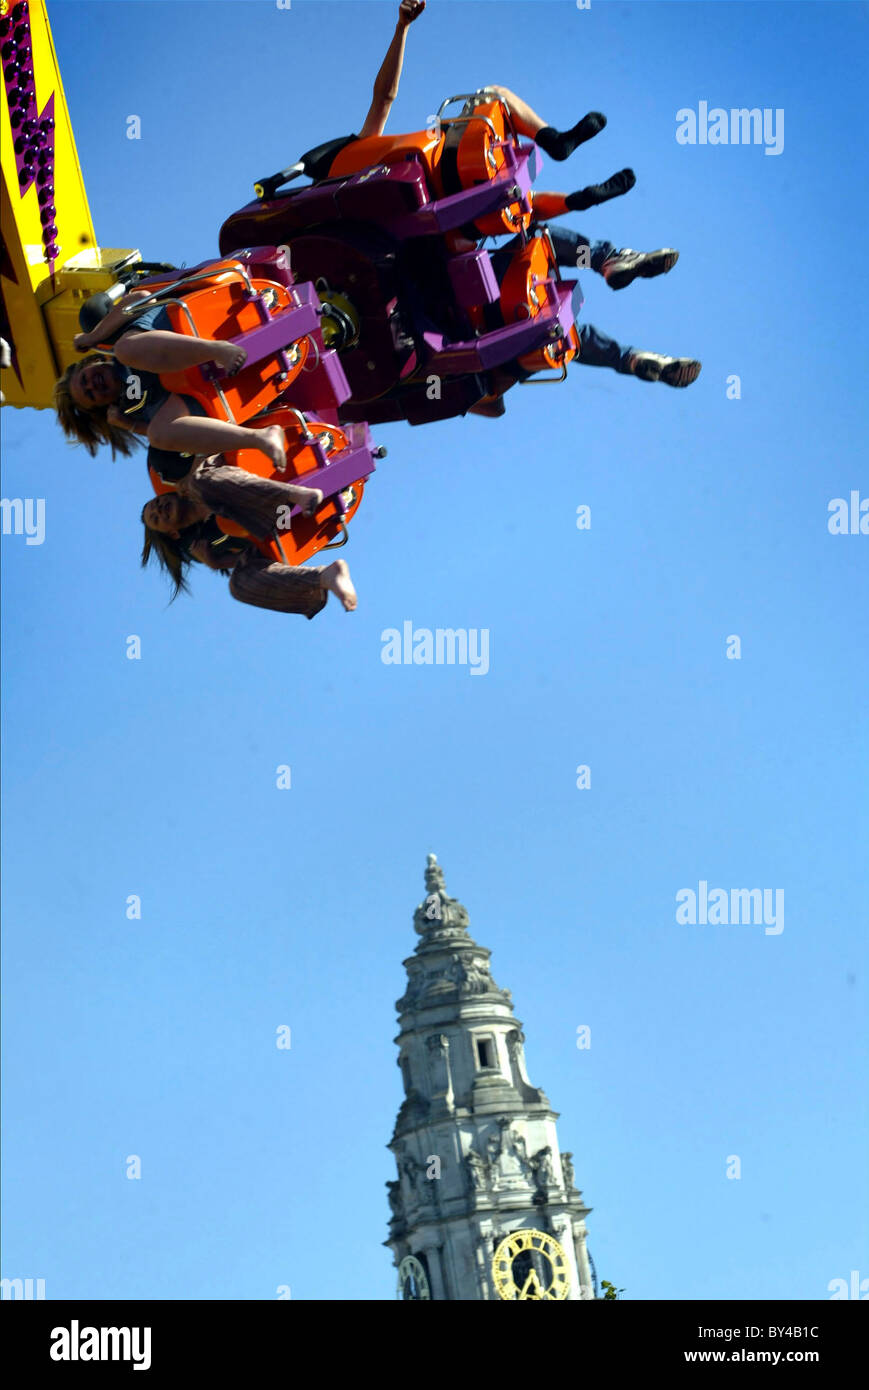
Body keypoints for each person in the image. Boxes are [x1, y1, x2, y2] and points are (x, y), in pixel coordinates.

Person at [53, 291, 288, 469]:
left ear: (89, 364)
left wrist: (93, 336)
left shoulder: (109, 344)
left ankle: (216, 350)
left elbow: (143, 297)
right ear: (101, 406)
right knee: (158, 435)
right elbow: (164, 429)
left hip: (181, 324)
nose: (93, 385)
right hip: (197, 387)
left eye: (85, 380)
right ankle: (261, 438)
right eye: (91, 395)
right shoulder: (131, 407)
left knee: (126, 349)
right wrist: (129, 424)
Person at [141, 455, 357, 618]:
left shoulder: (191, 482)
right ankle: (323, 577)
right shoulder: (203, 542)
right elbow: (254, 555)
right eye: (156, 518)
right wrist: (217, 562)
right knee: (238, 585)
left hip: (263, 473)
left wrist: (199, 465)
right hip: (279, 523)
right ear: (173, 533)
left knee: (200, 483)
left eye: (155, 505)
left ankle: (292, 493)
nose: (159, 509)